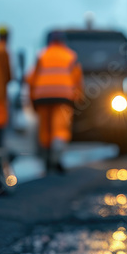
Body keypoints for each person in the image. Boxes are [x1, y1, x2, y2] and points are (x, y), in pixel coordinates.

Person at [26, 32, 84, 174]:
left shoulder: (41, 55)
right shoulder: (71, 56)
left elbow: (31, 79)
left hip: (42, 96)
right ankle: (56, 158)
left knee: (45, 129)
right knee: (60, 128)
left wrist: (32, 99)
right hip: (63, 97)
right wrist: (77, 98)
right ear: (63, 42)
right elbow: (77, 80)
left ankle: (46, 160)